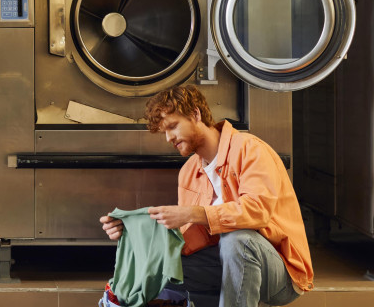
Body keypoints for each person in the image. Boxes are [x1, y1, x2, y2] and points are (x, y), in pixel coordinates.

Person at [99, 85, 313, 307]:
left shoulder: (251, 150)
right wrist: (135, 231)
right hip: (224, 265)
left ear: (195, 114)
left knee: (238, 240)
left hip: (281, 273)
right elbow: (190, 242)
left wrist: (193, 213)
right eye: (164, 131)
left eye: (172, 126)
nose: (168, 138)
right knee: (157, 272)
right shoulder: (189, 172)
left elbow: (257, 212)